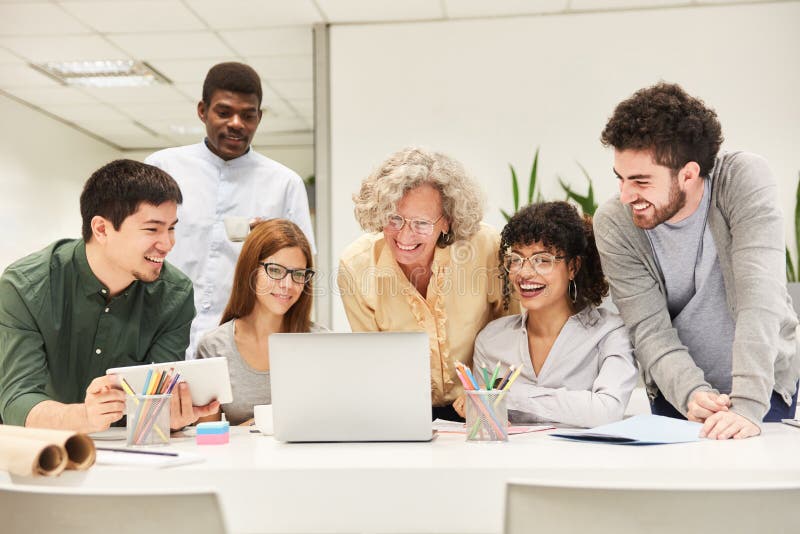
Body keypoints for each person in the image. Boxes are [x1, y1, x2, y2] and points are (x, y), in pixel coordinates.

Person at [594, 82, 800, 439]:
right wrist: (691, 391)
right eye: (621, 179)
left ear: (688, 174)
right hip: (681, 393)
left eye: (641, 181)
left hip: (762, 388)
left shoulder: (741, 179)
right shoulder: (614, 221)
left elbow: (760, 296)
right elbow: (648, 329)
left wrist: (748, 404)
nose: (626, 195)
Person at [0, 160, 219, 432]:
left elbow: (156, 398)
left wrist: (166, 417)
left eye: (171, 227)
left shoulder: (175, 295)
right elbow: (16, 399)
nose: (168, 243)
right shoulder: (26, 286)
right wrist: (84, 417)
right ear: (102, 229)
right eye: (152, 229)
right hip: (42, 450)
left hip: (129, 452)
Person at [145, 61, 316, 358]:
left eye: (248, 115)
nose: (236, 123)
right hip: (160, 332)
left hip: (243, 341)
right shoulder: (163, 168)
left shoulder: (284, 183)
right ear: (203, 110)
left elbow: (301, 270)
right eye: (224, 112)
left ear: (259, 118)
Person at [337, 147, 515, 421]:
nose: (405, 235)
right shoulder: (356, 266)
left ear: (447, 222)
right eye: (394, 218)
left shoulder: (486, 248)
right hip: (402, 410)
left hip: (479, 406)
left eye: (421, 223)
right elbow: (371, 361)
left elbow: (512, 331)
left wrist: (488, 394)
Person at [468, 202, 637, 426]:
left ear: (573, 267)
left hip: (583, 460)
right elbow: (485, 424)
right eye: (517, 259)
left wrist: (508, 396)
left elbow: (605, 411)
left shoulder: (610, 333)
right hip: (508, 461)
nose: (524, 273)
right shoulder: (491, 341)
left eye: (542, 260)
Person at [196, 219, 326, 425]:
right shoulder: (214, 348)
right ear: (251, 270)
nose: (287, 285)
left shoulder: (323, 343)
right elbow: (209, 439)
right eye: (275, 270)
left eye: (298, 274)